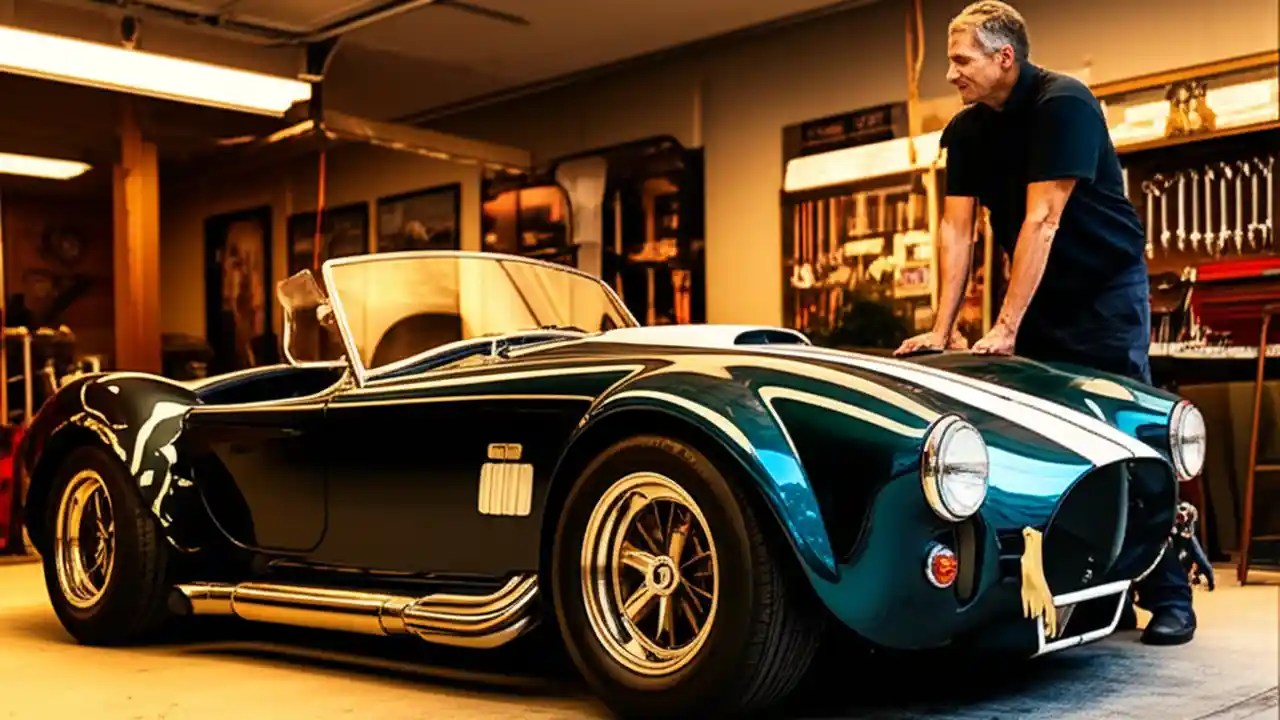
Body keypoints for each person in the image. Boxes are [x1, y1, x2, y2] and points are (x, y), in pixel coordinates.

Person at [894, 1, 1196, 645]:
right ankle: (1072, 584)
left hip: (1102, 293)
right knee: (1045, 445)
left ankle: (1169, 595)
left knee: (1125, 434)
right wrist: (944, 328)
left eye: (960, 59)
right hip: (1033, 299)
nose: (950, 74)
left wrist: (1004, 327)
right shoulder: (969, 130)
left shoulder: (1065, 103)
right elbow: (957, 230)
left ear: (1005, 57)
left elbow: (1042, 219)